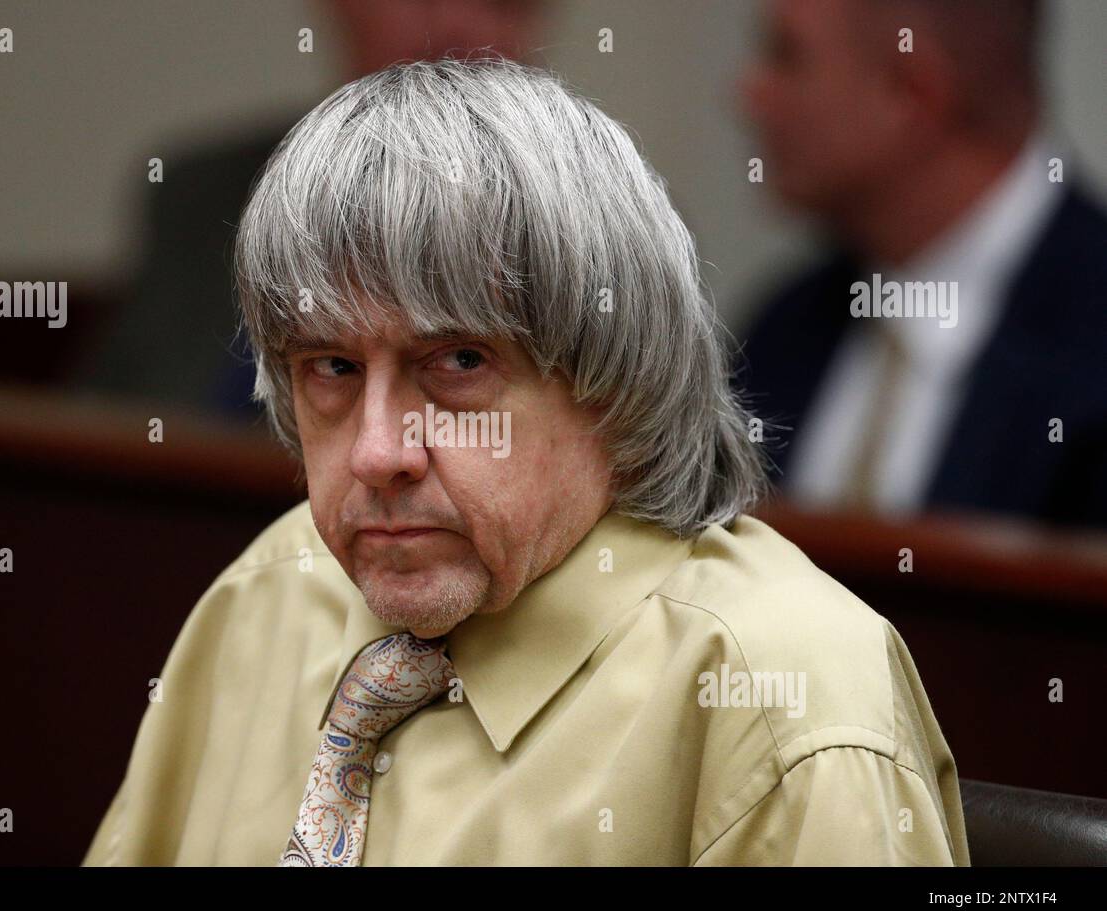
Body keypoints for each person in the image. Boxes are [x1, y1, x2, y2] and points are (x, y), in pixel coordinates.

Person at [81, 56, 969, 866]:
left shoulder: (782, 698)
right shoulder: (267, 597)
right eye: (333, 369)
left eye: (459, 363)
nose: (378, 452)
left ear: (613, 378)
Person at [71, 0, 548, 420]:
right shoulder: (202, 193)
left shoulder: (570, 228)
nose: (456, 25)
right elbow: (106, 422)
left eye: (502, 2)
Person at [737, 0, 1107, 526]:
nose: (750, 94)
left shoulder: (1092, 342)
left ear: (912, 91)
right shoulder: (781, 330)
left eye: (787, 56)